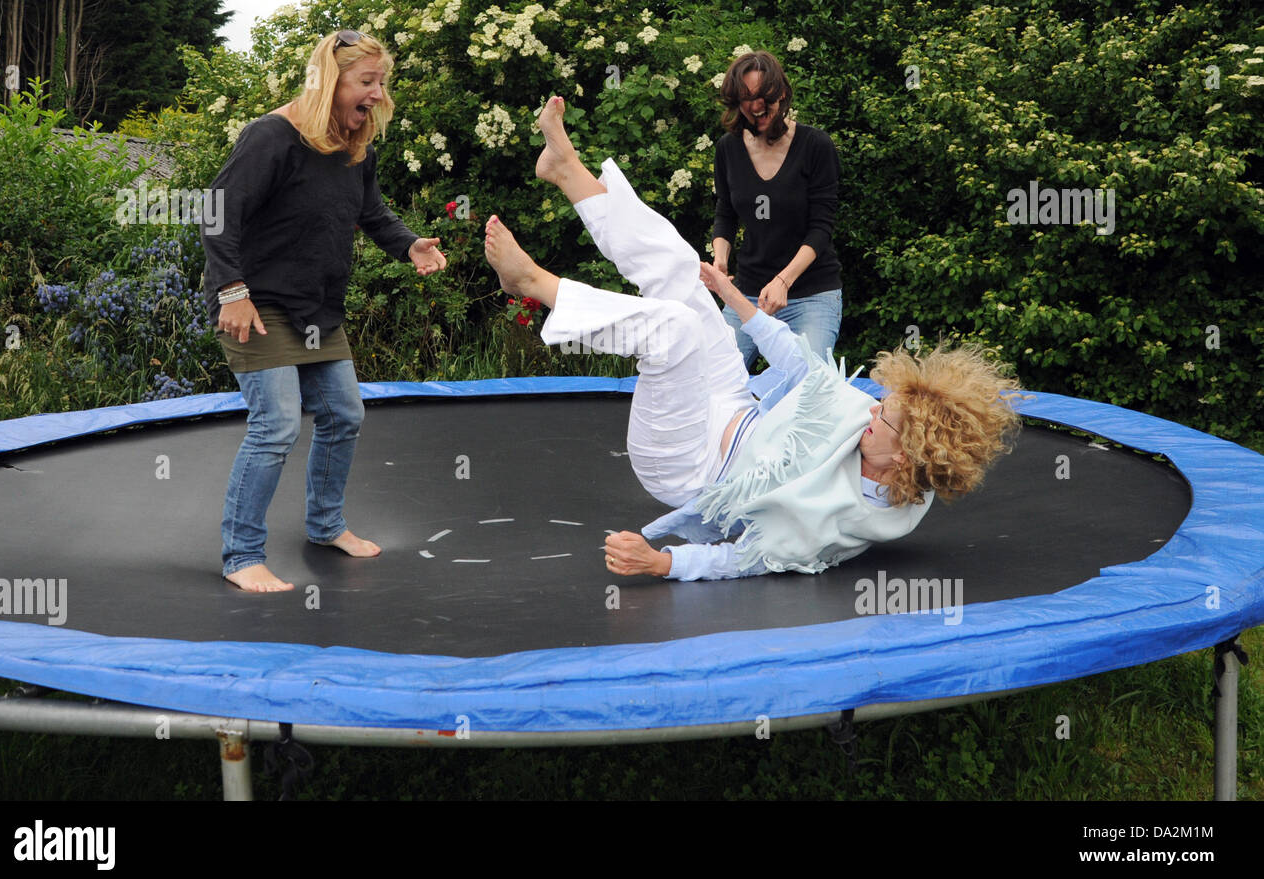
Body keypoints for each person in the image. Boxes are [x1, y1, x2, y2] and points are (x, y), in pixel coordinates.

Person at [485, 96, 1019, 581]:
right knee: (685, 273)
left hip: (689, 464)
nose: (870, 412)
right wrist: (732, 295)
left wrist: (664, 563)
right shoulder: (871, 425)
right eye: (881, 406)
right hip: (734, 404)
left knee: (671, 329)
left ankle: (533, 283)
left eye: (883, 420)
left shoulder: (844, 520)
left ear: (903, 458)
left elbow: (752, 558)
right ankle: (567, 170)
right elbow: (802, 364)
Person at [202, 30, 446, 593]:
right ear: (329, 81)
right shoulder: (272, 137)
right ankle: (241, 555)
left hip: (318, 311)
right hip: (257, 306)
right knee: (277, 424)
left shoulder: (354, 147)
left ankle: (325, 526)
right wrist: (231, 291)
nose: (378, 94)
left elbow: (373, 214)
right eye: (366, 82)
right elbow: (217, 215)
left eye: (380, 82)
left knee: (344, 413)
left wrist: (409, 245)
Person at [712, 50, 843, 370]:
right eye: (746, 99)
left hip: (812, 293)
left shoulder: (816, 146)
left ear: (781, 93)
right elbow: (726, 212)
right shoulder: (728, 148)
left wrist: (784, 281)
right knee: (715, 375)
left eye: (763, 96)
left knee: (808, 380)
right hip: (748, 294)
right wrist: (720, 260)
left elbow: (821, 228)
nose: (756, 106)